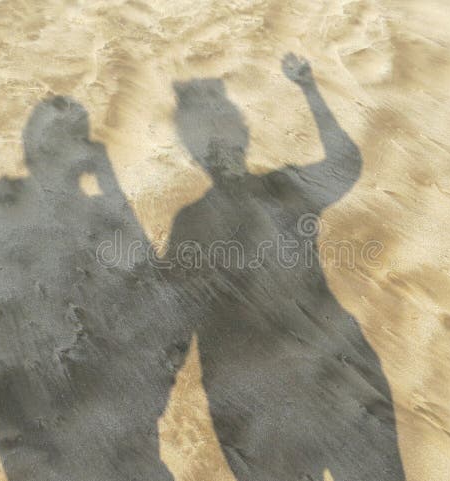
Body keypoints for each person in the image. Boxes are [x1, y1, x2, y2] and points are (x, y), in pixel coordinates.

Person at [165, 54, 405, 481]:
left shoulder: (199, 220)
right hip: (326, 373)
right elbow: (347, 162)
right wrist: (308, 89)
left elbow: (174, 323)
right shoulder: (281, 189)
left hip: (264, 395)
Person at [0, 97, 184, 480]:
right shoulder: (100, 216)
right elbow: (152, 280)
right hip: (74, 409)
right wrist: (109, 183)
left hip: (33, 413)